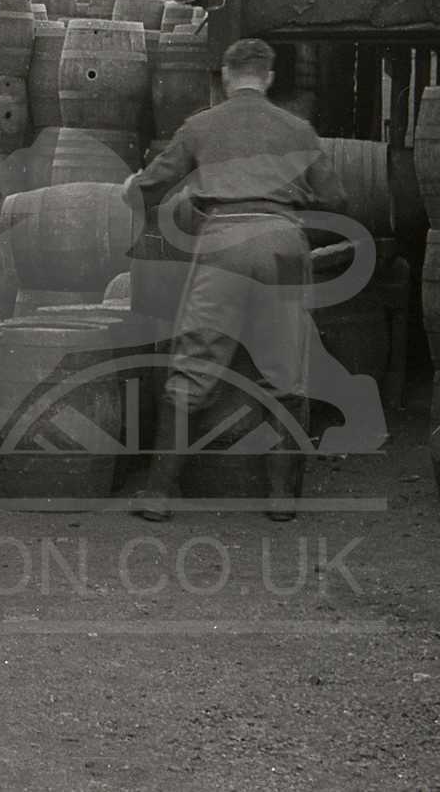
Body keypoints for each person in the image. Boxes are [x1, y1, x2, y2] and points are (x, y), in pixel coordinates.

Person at [123, 37, 349, 522]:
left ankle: (158, 495)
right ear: (268, 77)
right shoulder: (298, 128)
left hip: (224, 240)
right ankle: (282, 499)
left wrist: (142, 212)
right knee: (287, 374)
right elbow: (338, 198)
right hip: (284, 243)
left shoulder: (201, 125)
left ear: (226, 78)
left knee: (193, 366)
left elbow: (148, 187)